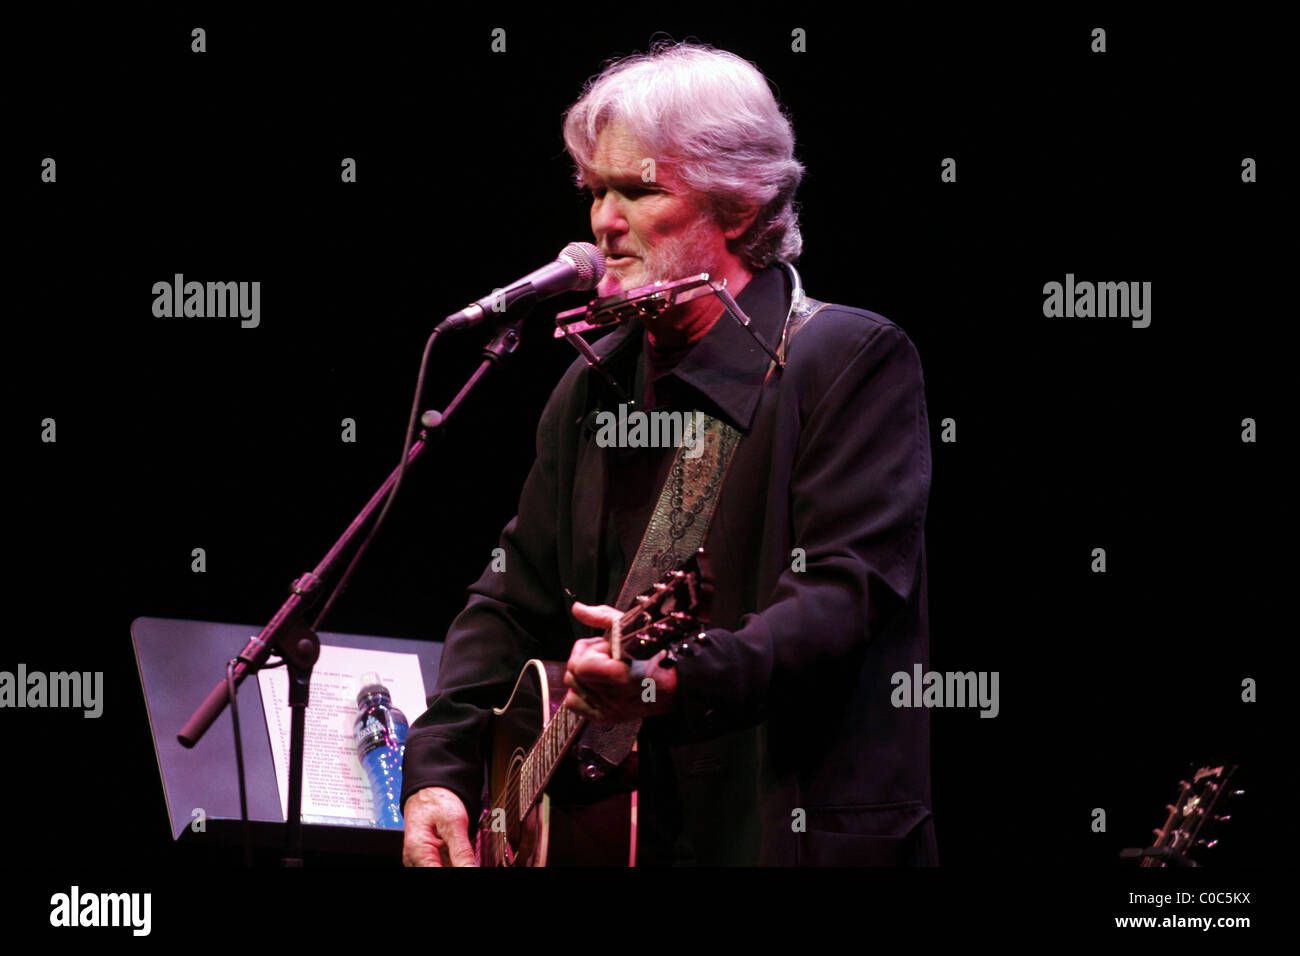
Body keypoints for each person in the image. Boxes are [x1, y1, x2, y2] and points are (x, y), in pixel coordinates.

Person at [401, 40, 936, 866]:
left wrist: (673, 682)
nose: (604, 222)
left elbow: (845, 595)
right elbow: (510, 599)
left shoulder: (845, 359)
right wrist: (437, 772)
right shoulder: (594, 386)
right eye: (595, 190)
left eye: (639, 190)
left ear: (743, 205)